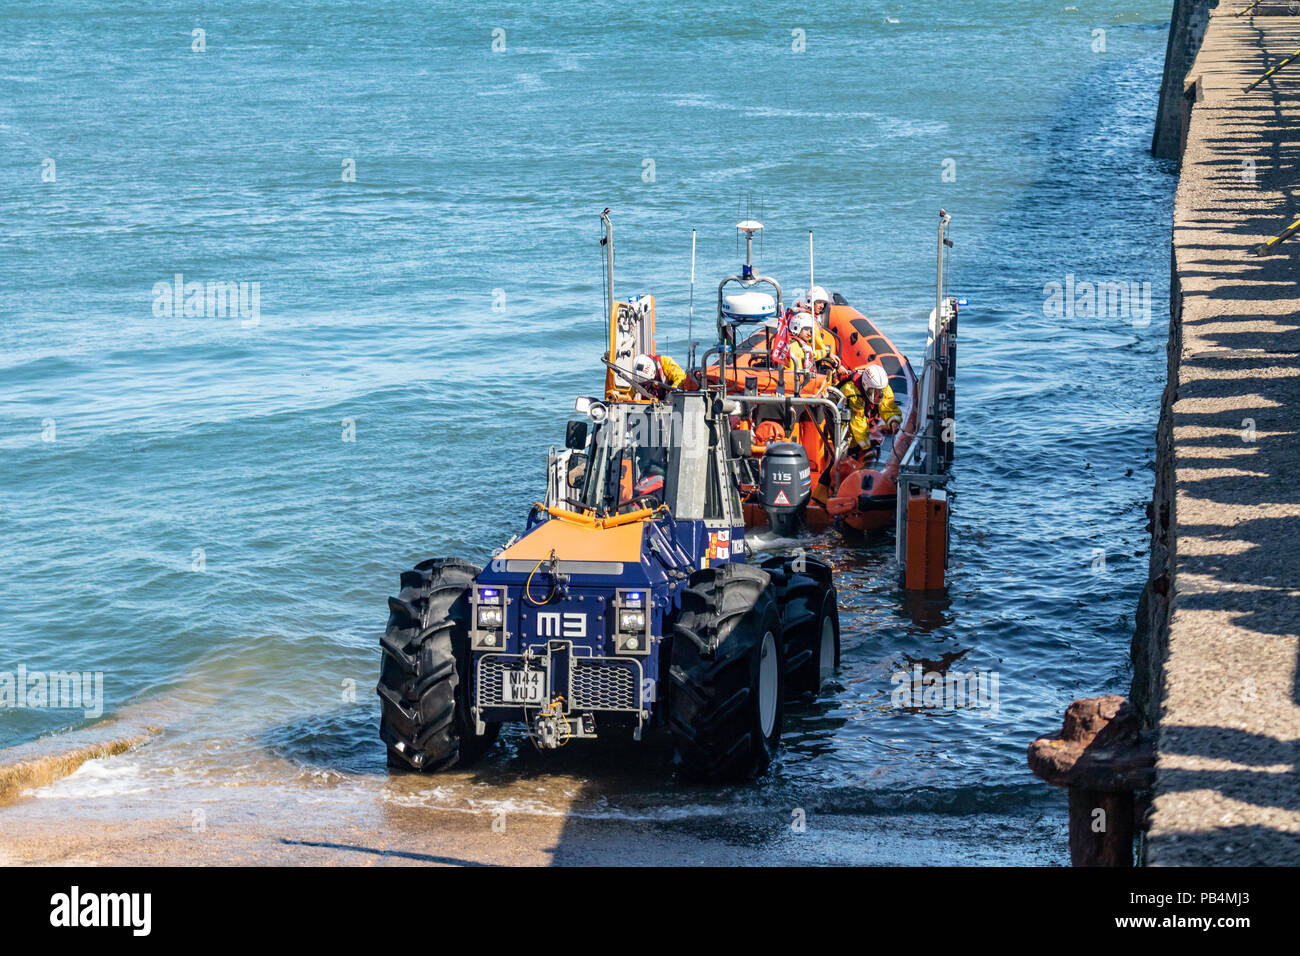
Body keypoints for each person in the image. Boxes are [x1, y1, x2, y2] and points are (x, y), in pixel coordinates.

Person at [834, 361, 902, 452]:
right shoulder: (852, 392)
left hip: (862, 417)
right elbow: (857, 422)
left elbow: (888, 406)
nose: (878, 395)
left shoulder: (881, 386)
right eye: (874, 392)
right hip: (843, 422)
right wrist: (867, 448)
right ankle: (852, 451)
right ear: (866, 385)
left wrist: (893, 421)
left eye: (880, 392)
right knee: (852, 441)